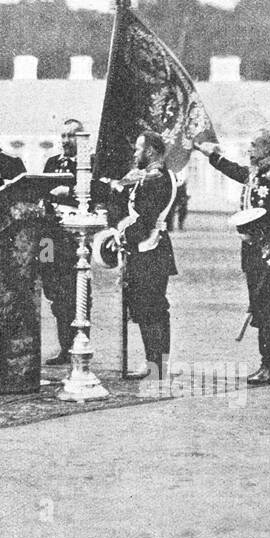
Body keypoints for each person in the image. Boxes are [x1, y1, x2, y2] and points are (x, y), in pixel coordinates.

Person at [195, 131, 270, 385]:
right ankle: (267, 364)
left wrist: (259, 231)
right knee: (261, 309)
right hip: (254, 252)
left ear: (267, 149)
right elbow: (238, 173)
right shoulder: (257, 172)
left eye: (254, 146)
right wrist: (214, 157)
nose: (249, 150)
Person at [109, 131, 179, 378]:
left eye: (138, 149)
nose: (135, 153)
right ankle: (155, 363)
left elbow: (146, 219)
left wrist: (120, 236)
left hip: (150, 248)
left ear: (150, 151)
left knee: (152, 308)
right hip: (149, 249)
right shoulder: (153, 175)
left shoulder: (154, 178)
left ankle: (157, 365)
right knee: (147, 308)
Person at [40, 119, 84, 365]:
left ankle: (77, 345)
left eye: (72, 136)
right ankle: (64, 346)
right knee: (52, 288)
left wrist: (70, 194)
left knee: (76, 290)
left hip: (73, 238)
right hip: (48, 238)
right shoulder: (52, 163)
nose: (66, 141)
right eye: (64, 136)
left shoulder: (89, 165)